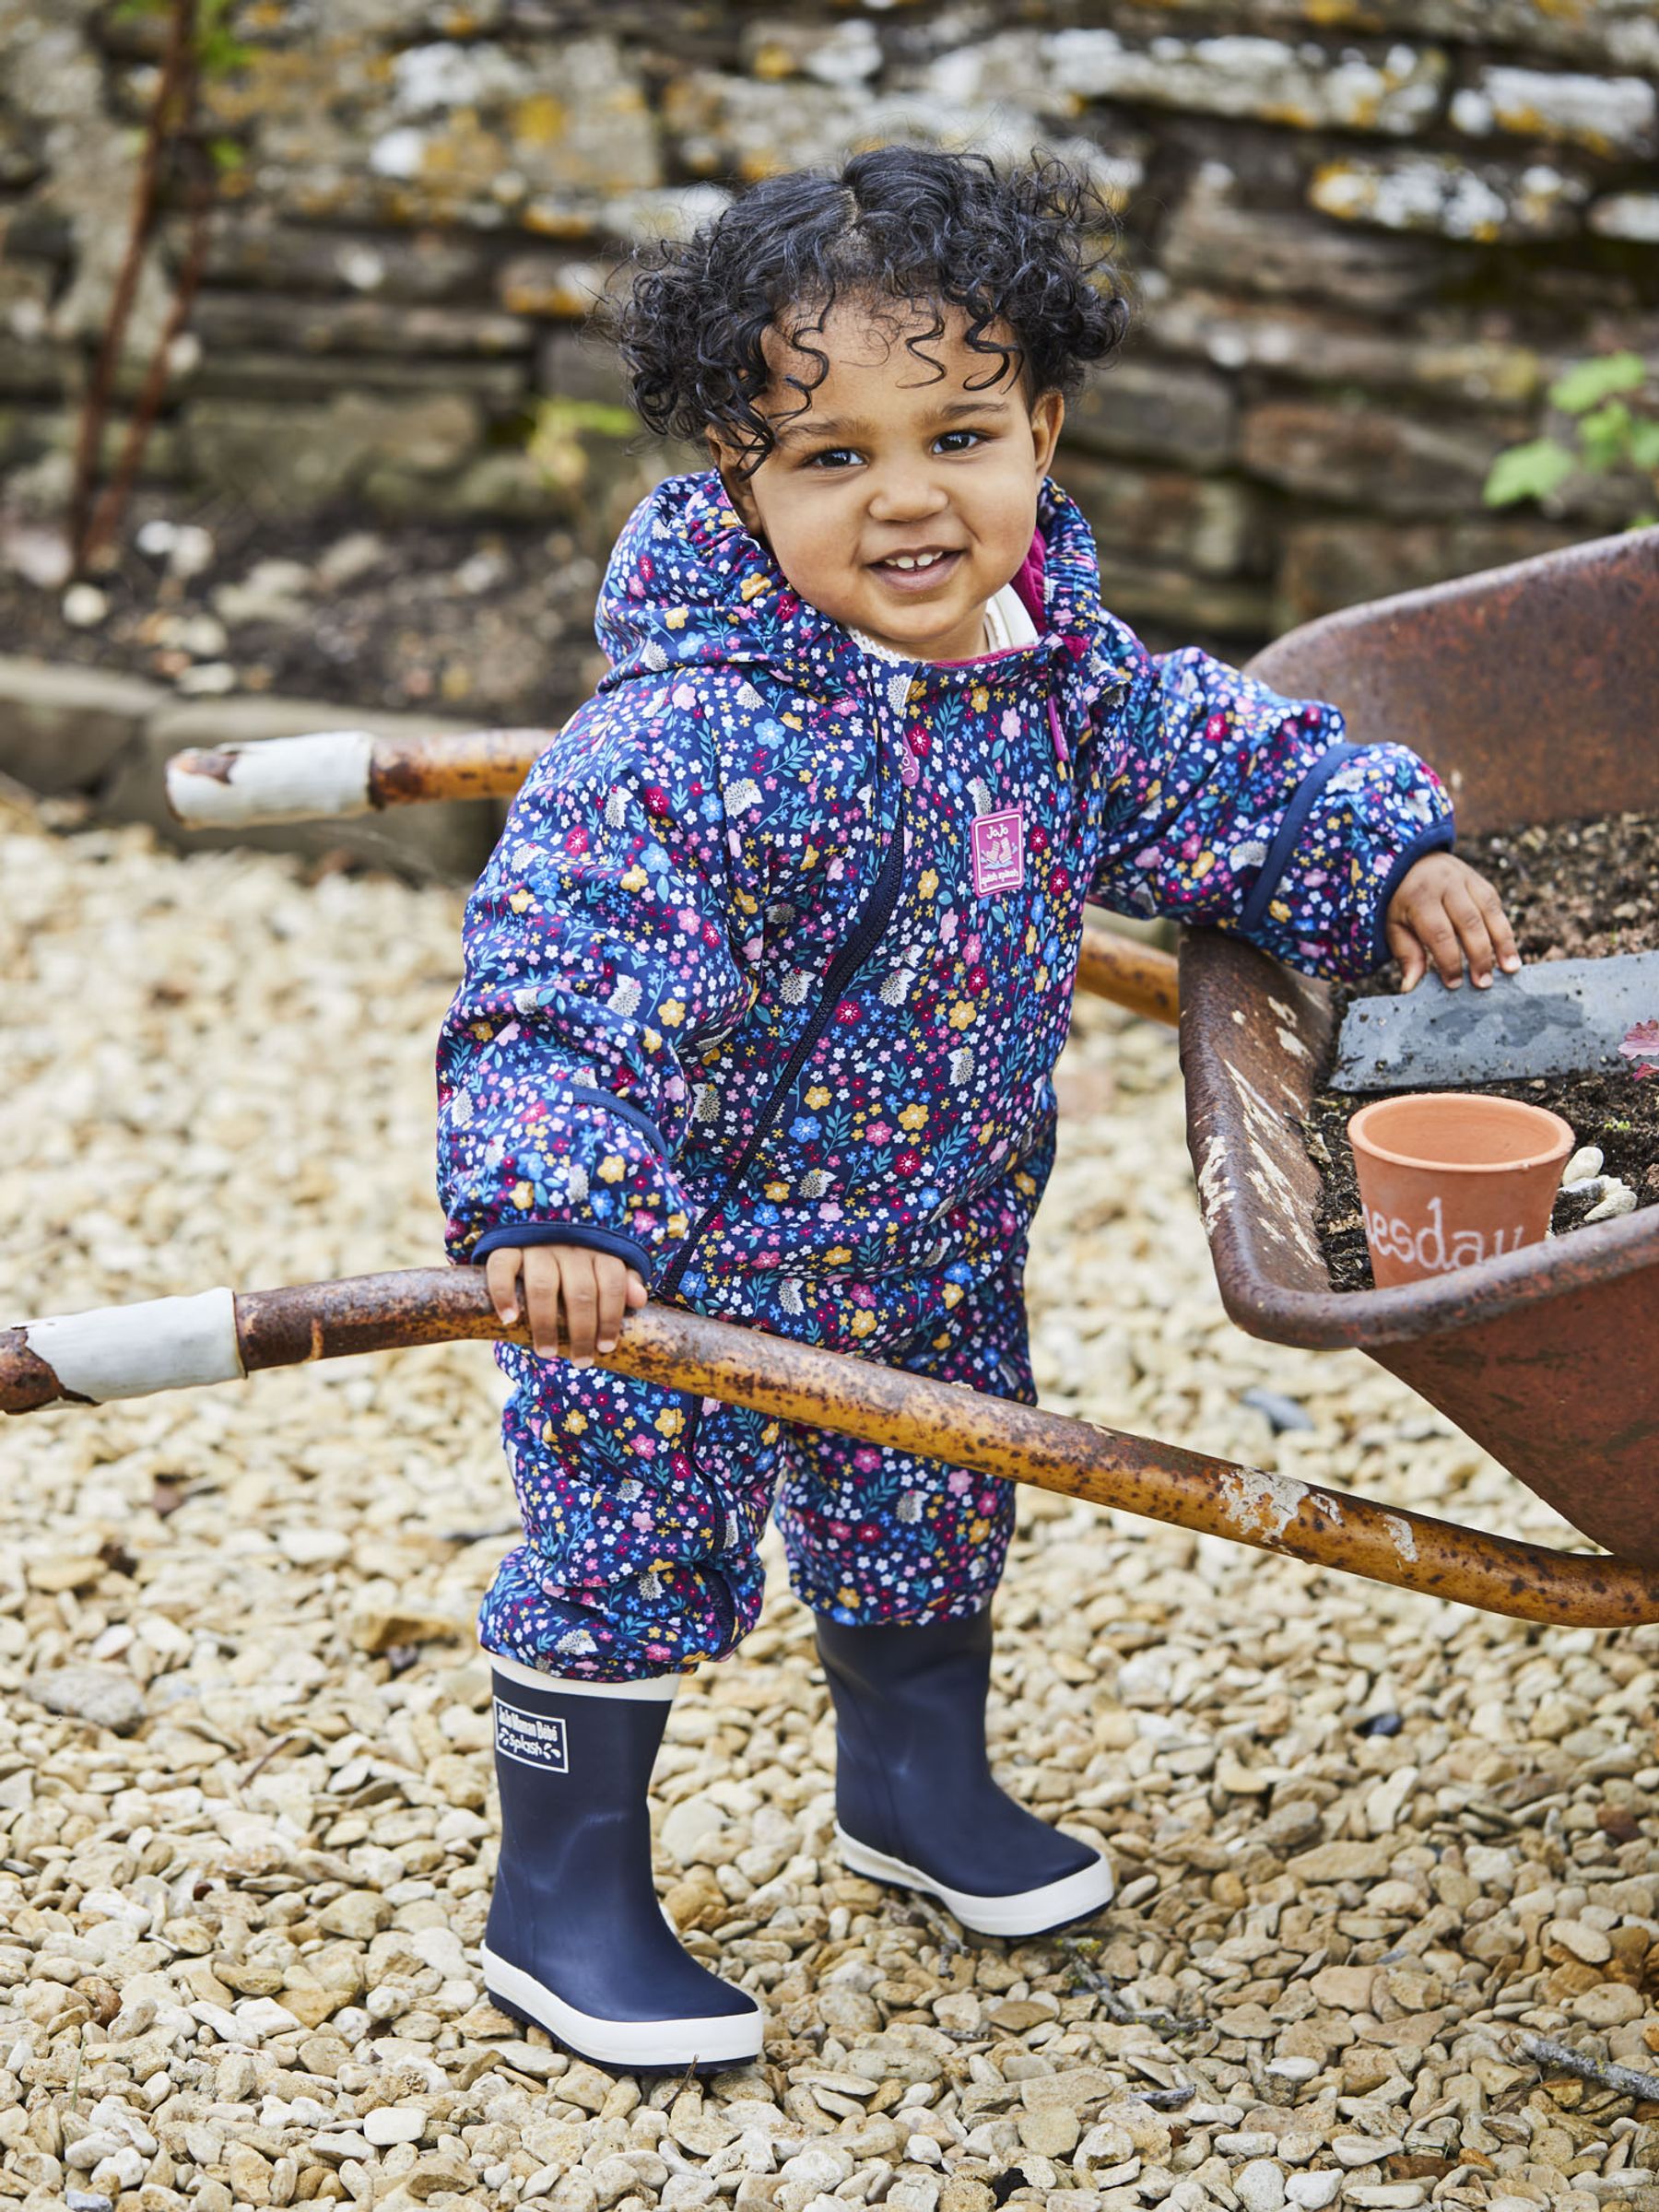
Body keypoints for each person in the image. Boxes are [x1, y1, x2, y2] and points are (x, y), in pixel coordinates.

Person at [435, 146, 1519, 2072]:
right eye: (831, 456)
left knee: (933, 1512)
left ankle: (916, 1793)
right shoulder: (685, 738)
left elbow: (1233, 769)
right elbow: (561, 974)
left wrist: (1378, 858)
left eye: (960, 431)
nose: (912, 496)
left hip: (933, 1241)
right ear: (736, 478)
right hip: (666, 1278)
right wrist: (557, 1204)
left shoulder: (1059, 687)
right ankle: (564, 1895)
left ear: (1046, 425)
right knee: (630, 1554)